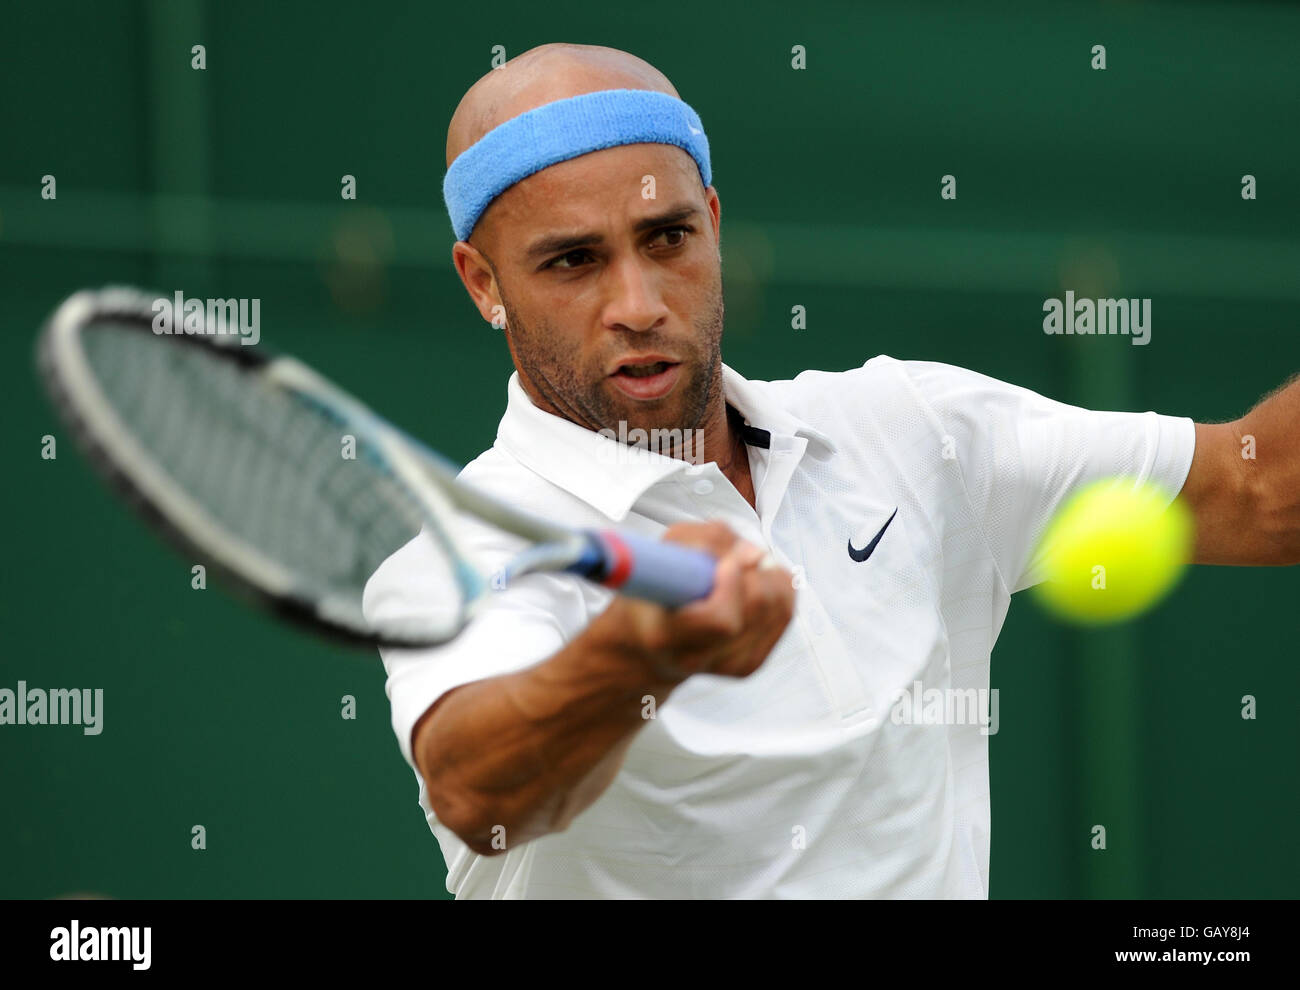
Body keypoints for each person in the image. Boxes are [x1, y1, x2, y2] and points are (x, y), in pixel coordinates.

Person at [363, 43, 1300, 898]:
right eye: (573, 261)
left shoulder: (913, 428)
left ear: (714, 223)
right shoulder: (472, 541)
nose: (638, 304)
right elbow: (480, 788)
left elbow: (1262, 490)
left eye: (667, 238)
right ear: (482, 282)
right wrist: (641, 651)